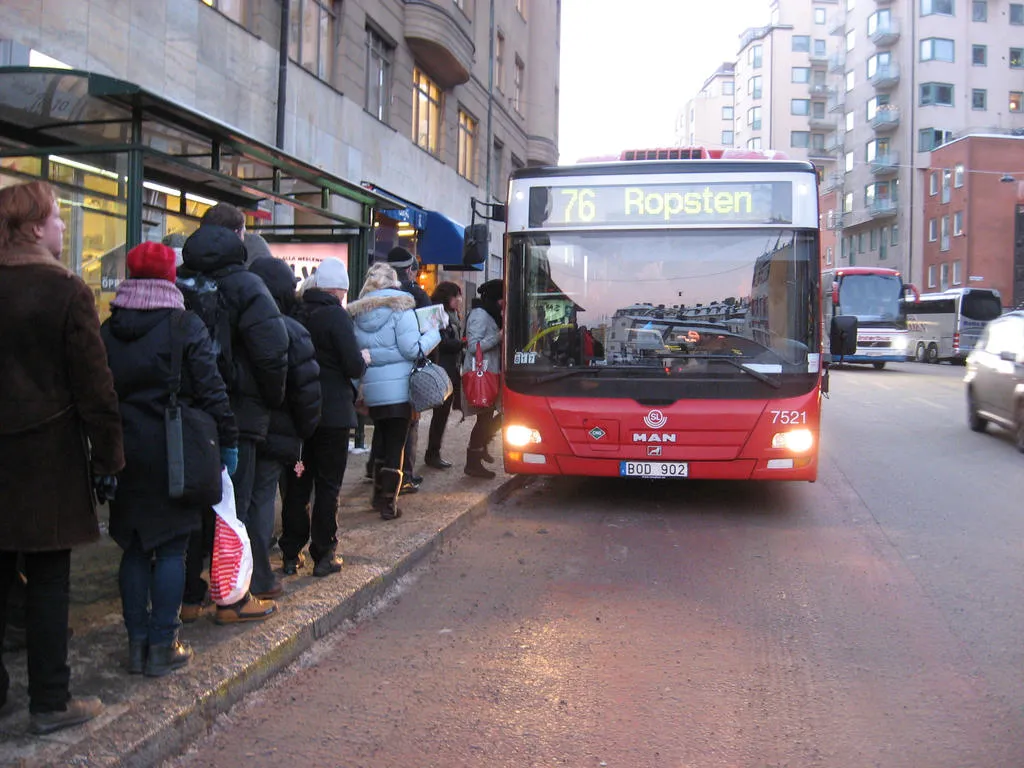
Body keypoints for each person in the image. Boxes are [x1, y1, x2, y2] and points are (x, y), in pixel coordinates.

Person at [0, 181, 125, 734]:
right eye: (56, 218)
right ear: (33, 228)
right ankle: (50, 701)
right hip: (46, 462)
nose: (63, 227)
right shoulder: (67, 291)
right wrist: (109, 459)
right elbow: (96, 389)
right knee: (49, 582)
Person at [101, 242, 238, 677]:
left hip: (123, 448)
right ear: (169, 278)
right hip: (173, 450)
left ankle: (136, 645)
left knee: (136, 547)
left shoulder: (108, 328)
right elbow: (212, 388)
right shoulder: (184, 324)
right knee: (173, 549)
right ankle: (164, 643)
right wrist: (228, 440)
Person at [179, 203, 288, 624]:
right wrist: (268, 399)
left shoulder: (181, 279)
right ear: (239, 237)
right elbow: (272, 351)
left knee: (192, 511)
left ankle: (191, 597)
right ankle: (233, 599)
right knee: (233, 510)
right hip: (238, 415)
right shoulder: (248, 285)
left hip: (188, 413)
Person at [241, 257, 322, 593]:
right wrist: (305, 431)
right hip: (275, 432)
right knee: (262, 501)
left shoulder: (235, 320)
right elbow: (305, 390)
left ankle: (231, 576)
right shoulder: (289, 328)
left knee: (238, 502)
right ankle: (258, 575)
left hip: (237, 429)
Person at [279, 257, 363, 577]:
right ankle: (324, 553)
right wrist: (362, 359)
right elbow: (353, 365)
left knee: (298, 482)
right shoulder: (336, 317)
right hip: (333, 414)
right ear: (341, 290)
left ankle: (290, 552)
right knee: (328, 485)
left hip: (300, 414)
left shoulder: (297, 313)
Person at [348, 263, 441, 520]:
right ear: (393, 282)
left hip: (374, 389)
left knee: (380, 437)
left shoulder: (359, 313)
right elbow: (413, 350)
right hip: (399, 389)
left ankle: (378, 495)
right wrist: (434, 333)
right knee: (396, 446)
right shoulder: (401, 310)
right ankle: (389, 503)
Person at [383, 246, 430, 491]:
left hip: (378, 375)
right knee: (408, 425)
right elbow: (421, 340)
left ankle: (380, 476)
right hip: (406, 371)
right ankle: (404, 476)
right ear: (410, 270)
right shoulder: (415, 297)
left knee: (384, 427)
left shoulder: (375, 296)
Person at [462, 279, 504, 479]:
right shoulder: (480, 314)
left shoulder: (490, 313)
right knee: (484, 419)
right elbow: (473, 346)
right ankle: (473, 461)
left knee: (487, 418)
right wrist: (499, 336)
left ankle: (480, 449)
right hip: (482, 374)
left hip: (490, 371)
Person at [424, 281, 464, 469]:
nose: (459, 300)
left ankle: (434, 452)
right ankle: (432, 453)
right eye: (456, 296)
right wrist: (462, 343)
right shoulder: (438, 315)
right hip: (442, 369)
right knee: (440, 414)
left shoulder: (453, 315)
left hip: (450, 368)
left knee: (442, 414)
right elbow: (441, 343)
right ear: (448, 297)